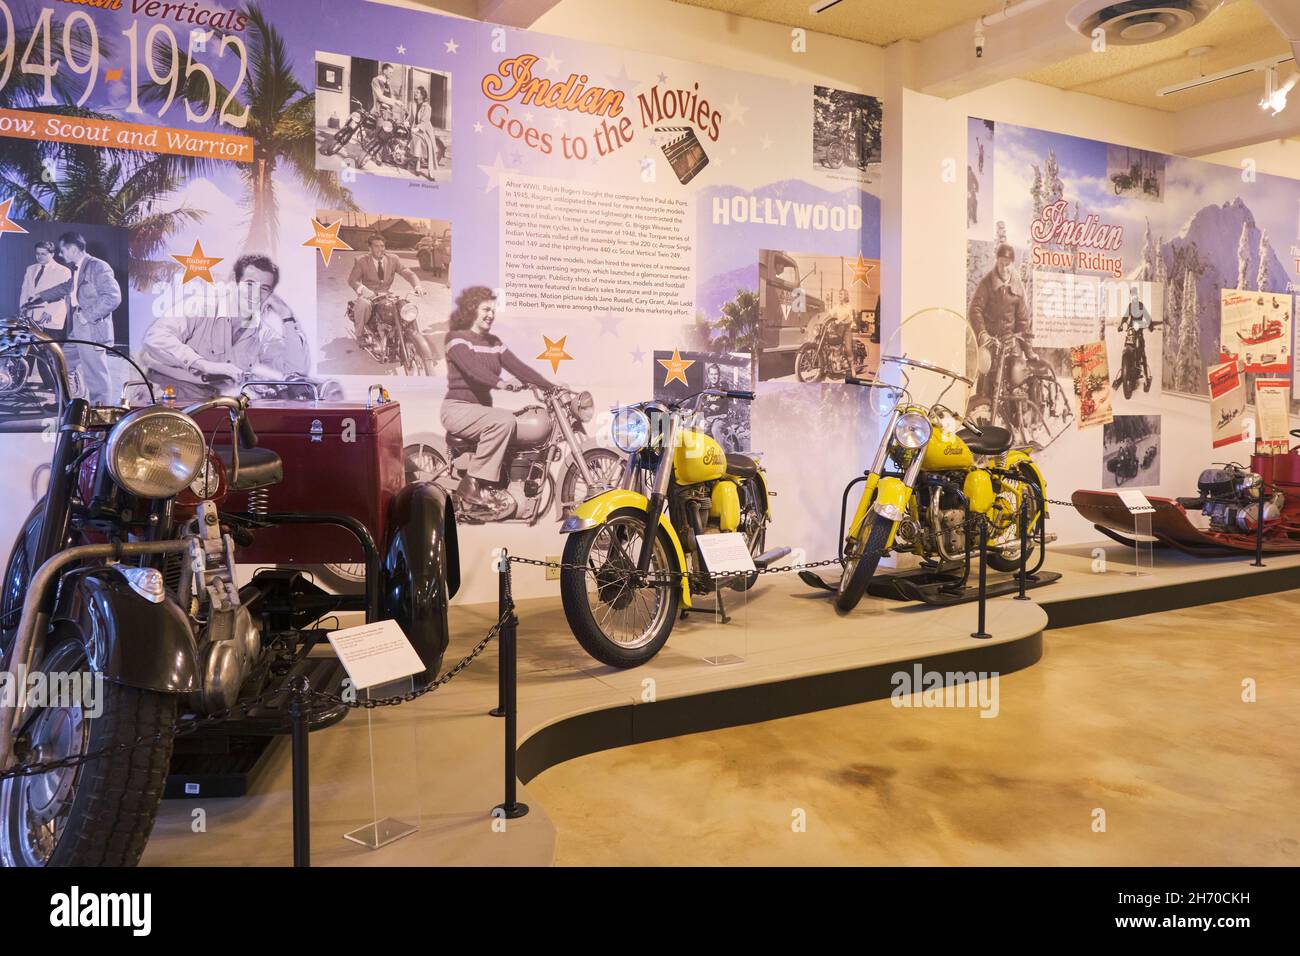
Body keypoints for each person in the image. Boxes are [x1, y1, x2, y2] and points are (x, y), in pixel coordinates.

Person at [140, 253, 310, 402]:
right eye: (249, 284)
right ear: (233, 283)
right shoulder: (200, 306)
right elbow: (156, 337)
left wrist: (287, 317)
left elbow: (296, 367)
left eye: (264, 288)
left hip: (215, 400)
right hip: (167, 391)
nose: (255, 293)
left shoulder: (261, 331)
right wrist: (203, 364)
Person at [440, 286, 552, 508]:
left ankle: (504, 484)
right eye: (485, 309)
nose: (491, 314)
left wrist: (552, 387)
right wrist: (500, 382)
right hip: (457, 408)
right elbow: (472, 369)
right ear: (472, 309)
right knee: (504, 420)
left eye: (493, 310)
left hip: (480, 412)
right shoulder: (457, 338)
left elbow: (519, 367)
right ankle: (472, 483)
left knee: (514, 421)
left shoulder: (494, 342)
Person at [24, 232, 121, 404]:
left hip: (91, 327)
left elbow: (112, 297)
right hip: (78, 328)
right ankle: (67, 403)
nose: (60, 255)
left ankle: (101, 414)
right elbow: (64, 288)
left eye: (62, 251)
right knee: (62, 363)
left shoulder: (98, 266)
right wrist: (38, 296)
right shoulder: (78, 268)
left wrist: (87, 316)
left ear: (74, 249)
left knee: (95, 375)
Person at [968, 243, 1031, 403]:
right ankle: (984, 410)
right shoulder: (987, 283)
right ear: (997, 261)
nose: (1003, 268)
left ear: (1012, 264)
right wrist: (982, 333)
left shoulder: (1017, 287)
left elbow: (1023, 320)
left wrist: (1024, 345)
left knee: (1017, 373)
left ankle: (1017, 413)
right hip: (991, 340)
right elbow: (975, 309)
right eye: (1001, 263)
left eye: (1007, 264)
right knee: (986, 373)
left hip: (1010, 340)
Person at [348, 233, 427, 344]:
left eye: (382, 246)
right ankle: (359, 334)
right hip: (369, 294)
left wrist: (417, 286)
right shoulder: (361, 261)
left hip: (386, 294)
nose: (380, 249)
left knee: (405, 306)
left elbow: (408, 274)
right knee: (363, 304)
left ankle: (414, 335)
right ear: (369, 248)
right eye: (376, 246)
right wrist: (363, 289)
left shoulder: (393, 259)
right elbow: (352, 280)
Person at [18, 241, 70, 335]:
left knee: (50, 347)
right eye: (37, 253)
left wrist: (50, 311)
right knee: (32, 347)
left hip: (50, 317)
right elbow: (25, 290)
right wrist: (22, 308)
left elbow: (64, 294)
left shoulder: (63, 271)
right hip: (30, 316)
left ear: (52, 254)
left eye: (43, 254)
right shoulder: (30, 269)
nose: (40, 256)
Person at [1114, 285, 1153, 391]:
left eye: (1135, 294)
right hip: (1131, 330)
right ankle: (1123, 375)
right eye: (1132, 295)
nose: (1133, 296)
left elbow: (1147, 316)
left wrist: (1150, 325)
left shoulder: (1141, 305)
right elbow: (1126, 316)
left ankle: (1146, 378)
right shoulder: (1130, 306)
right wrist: (1121, 325)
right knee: (1125, 350)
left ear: (1137, 295)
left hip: (1139, 329)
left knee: (1142, 352)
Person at [411, 86, 441, 180]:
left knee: (430, 146)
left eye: (418, 92)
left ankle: (430, 171)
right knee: (418, 141)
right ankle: (418, 165)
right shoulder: (413, 104)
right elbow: (411, 116)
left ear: (422, 95)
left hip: (425, 130)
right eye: (415, 92)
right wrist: (407, 121)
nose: (415, 93)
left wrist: (418, 128)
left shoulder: (427, 107)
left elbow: (425, 121)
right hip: (415, 129)